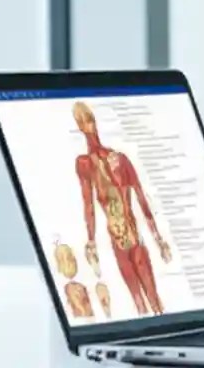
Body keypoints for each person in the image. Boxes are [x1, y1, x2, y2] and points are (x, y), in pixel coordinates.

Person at [72, 100, 174, 316]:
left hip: (133, 241)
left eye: (87, 120)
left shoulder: (119, 159)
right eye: (82, 122)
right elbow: (88, 207)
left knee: (153, 301)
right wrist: (91, 243)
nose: (87, 126)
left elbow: (141, 200)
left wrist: (159, 240)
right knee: (140, 304)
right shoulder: (85, 164)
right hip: (120, 243)